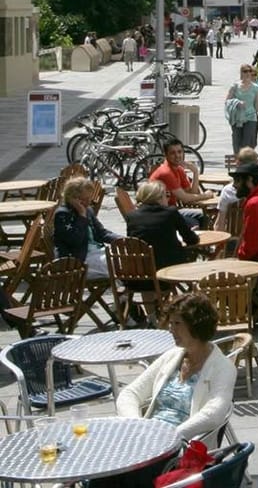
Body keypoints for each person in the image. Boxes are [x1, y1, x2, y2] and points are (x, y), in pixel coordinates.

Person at [116, 292, 236, 450]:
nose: (171, 330)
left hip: (183, 447)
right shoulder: (172, 356)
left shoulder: (223, 367)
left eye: (177, 324)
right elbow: (129, 393)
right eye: (170, 323)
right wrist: (138, 425)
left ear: (196, 325)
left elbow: (214, 414)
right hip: (146, 438)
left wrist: (171, 436)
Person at [54, 177, 121, 277]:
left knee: (127, 259)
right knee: (118, 266)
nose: (89, 202)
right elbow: (75, 240)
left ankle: (125, 289)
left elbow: (102, 233)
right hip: (79, 259)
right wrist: (81, 216)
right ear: (73, 198)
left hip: (97, 252)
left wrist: (122, 239)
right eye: (85, 199)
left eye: (90, 198)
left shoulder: (88, 210)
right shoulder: (63, 214)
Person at [126, 181, 199, 269]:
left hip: (143, 267)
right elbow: (191, 240)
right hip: (169, 265)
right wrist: (192, 233)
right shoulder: (170, 213)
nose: (168, 199)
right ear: (159, 198)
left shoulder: (132, 216)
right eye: (166, 195)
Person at [150, 139, 215, 228]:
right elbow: (185, 198)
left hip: (172, 210)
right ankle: (193, 241)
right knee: (194, 223)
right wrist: (206, 195)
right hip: (159, 214)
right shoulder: (166, 172)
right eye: (173, 153)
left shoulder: (178, 169)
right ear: (166, 155)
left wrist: (195, 172)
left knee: (205, 218)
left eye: (179, 152)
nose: (177, 156)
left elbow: (193, 194)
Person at [225, 64, 258, 154]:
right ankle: (239, 161)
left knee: (247, 142)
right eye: (245, 71)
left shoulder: (257, 88)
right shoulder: (235, 86)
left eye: (250, 71)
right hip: (237, 118)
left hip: (250, 118)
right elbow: (227, 101)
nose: (248, 73)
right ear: (241, 73)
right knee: (236, 141)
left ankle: (246, 162)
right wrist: (237, 102)